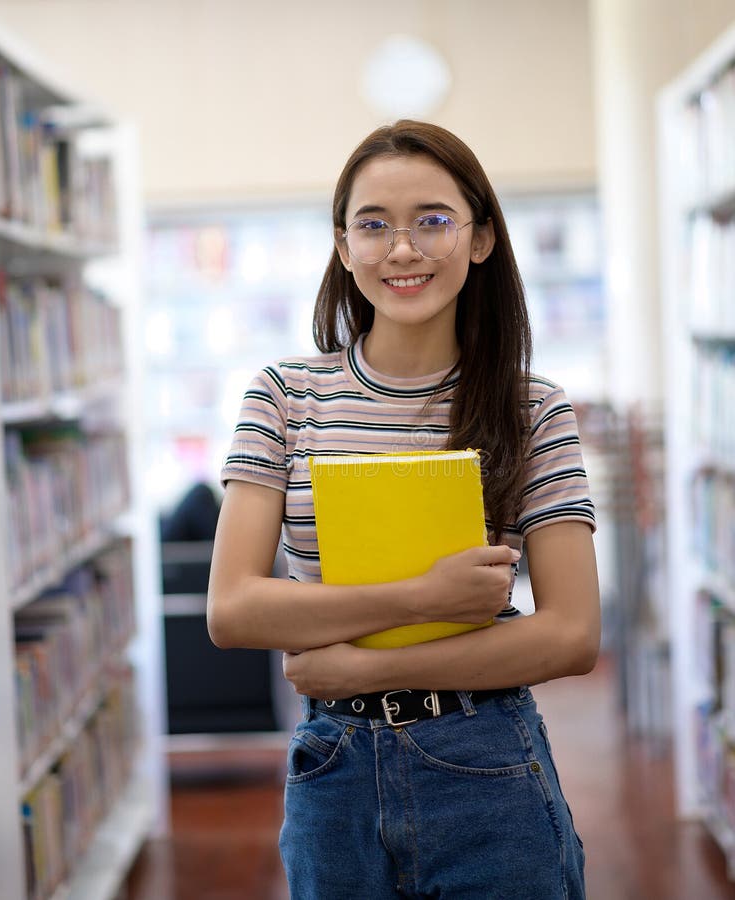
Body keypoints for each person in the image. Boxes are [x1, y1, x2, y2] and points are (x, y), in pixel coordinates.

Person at [207, 120, 600, 899]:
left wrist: (363, 665)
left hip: (488, 760)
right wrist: (424, 600)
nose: (403, 250)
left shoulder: (533, 408)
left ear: (481, 237)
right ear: (344, 245)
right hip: (333, 769)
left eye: (433, 220)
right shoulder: (285, 396)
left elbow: (573, 635)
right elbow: (233, 609)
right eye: (374, 225)